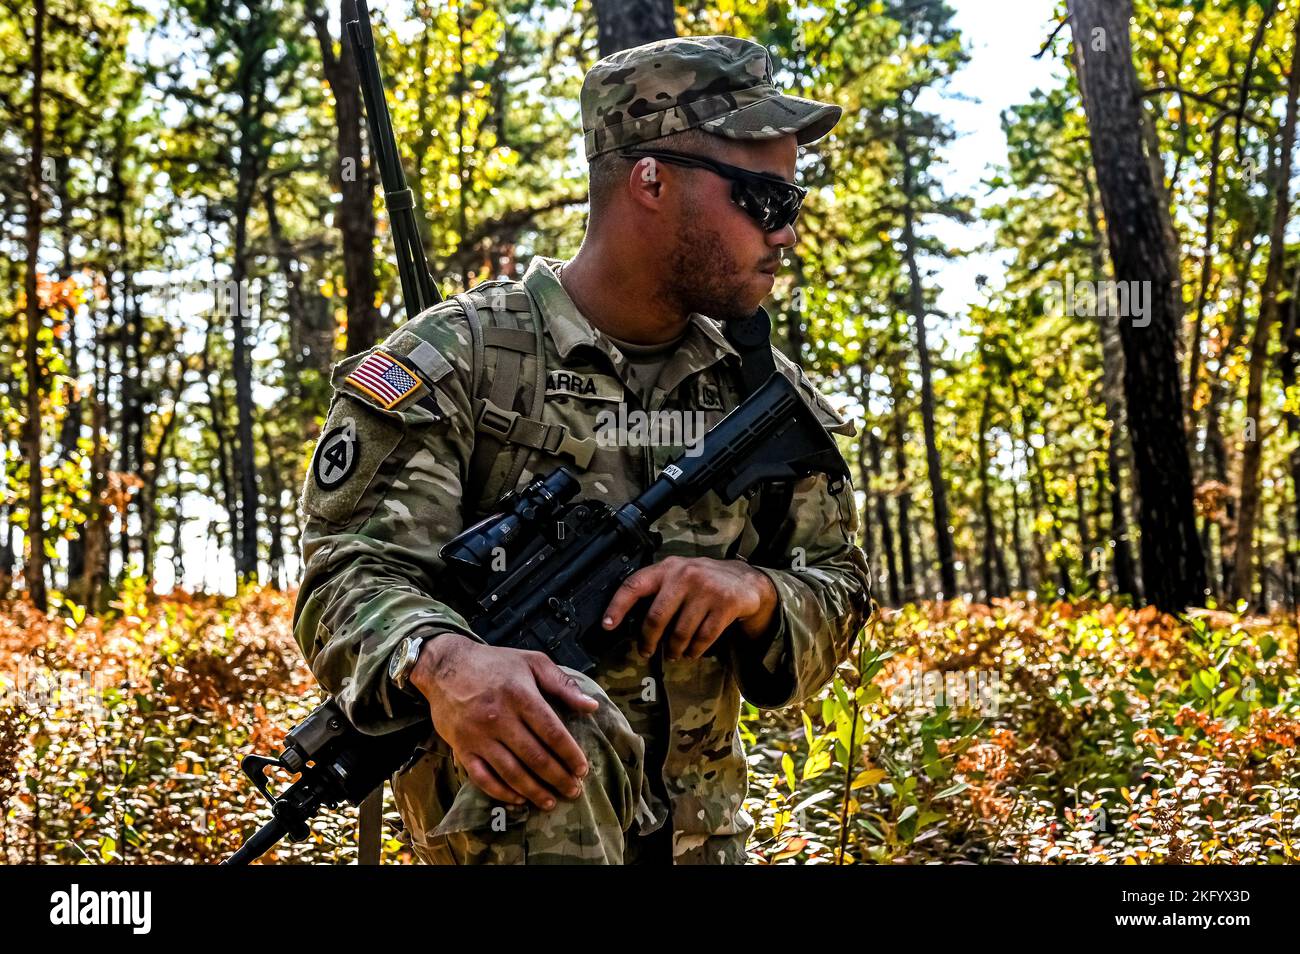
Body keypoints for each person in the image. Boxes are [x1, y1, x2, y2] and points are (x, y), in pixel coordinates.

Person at [293, 34, 872, 865]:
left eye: (795, 202)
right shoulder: (457, 363)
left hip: (702, 841)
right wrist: (444, 661)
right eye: (765, 200)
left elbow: (841, 589)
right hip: (512, 823)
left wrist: (754, 594)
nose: (786, 234)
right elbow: (344, 574)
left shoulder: (755, 389)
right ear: (651, 180)